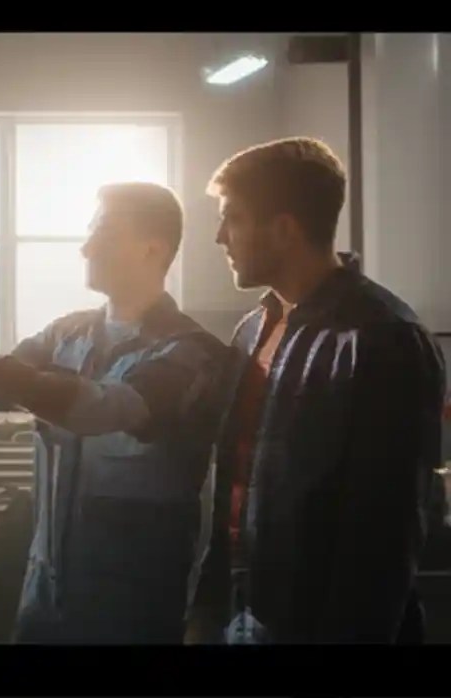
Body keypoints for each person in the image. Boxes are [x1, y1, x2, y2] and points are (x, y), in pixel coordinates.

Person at [0, 182, 230, 644]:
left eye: (103, 231)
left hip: (133, 611)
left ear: (153, 249)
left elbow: (100, 409)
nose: (86, 247)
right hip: (45, 599)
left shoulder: (192, 355)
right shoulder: (67, 334)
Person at [186, 137, 447, 644]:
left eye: (233, 218)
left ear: (284, 230)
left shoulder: (382, 337)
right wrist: (206, 608)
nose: (220, 237)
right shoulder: (253, 327)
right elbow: (234, 484)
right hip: (243, 611)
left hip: (323, 624)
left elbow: (386, 532)